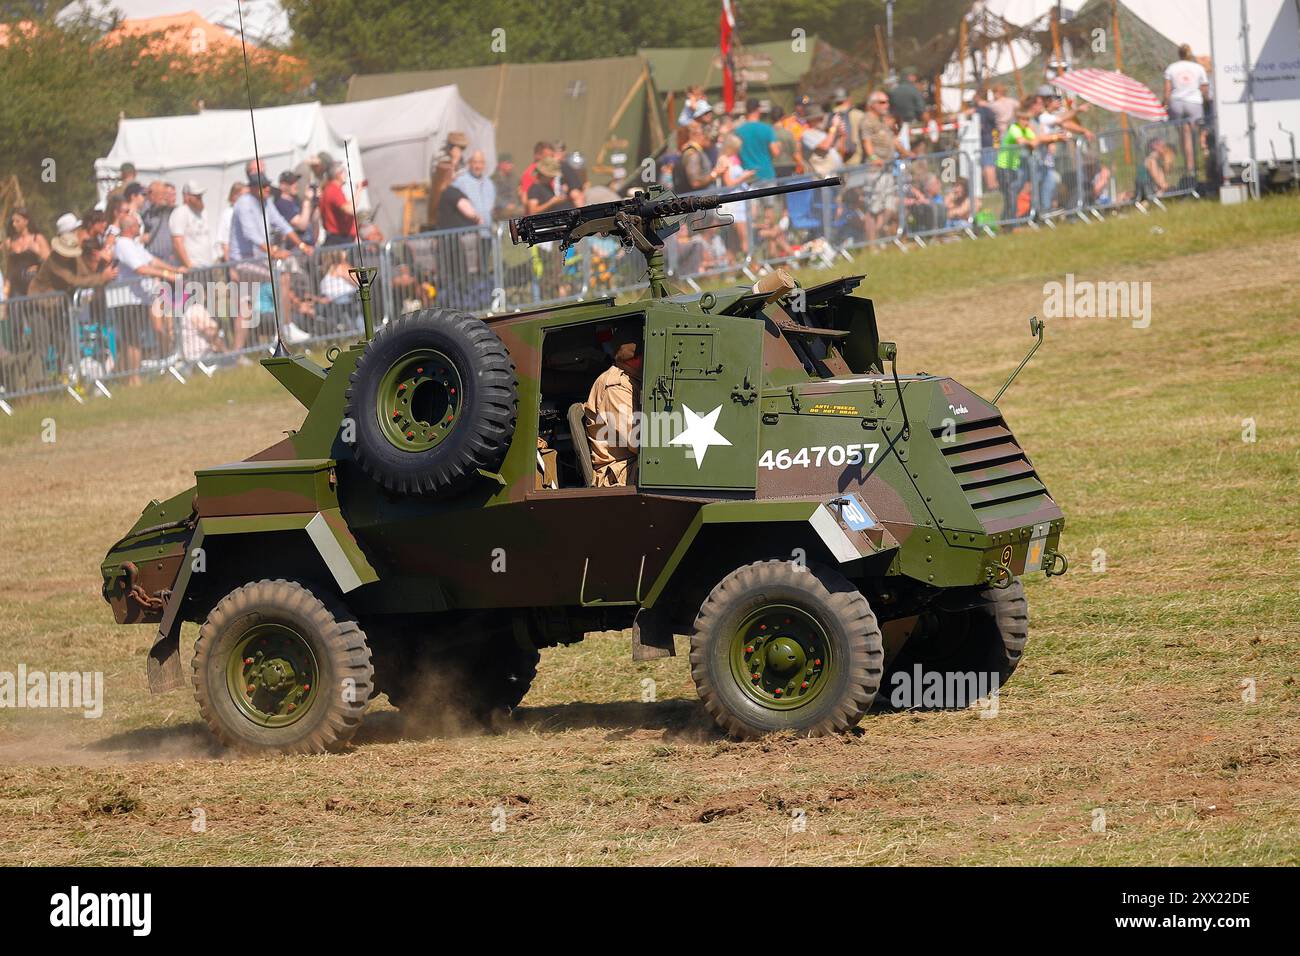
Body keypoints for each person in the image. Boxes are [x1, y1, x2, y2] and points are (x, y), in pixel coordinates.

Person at [109, 211, 184, 385]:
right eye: (137, 224)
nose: (139, 227)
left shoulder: (134, 245)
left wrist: (175, 270)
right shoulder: (123, 244)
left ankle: (117, 377)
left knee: (130, 340)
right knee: (133, 340)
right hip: (125, 299)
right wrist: (167, 275)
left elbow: (152, 261)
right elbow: (140, 269)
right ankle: (134, 380)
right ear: (130, 228)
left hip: (138, 299)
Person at [582, 331, 642, 487]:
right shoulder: (616, 386)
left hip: (632, 465)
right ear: (634, 359)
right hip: (618, 472)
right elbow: (638, 443)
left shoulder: (633, 380)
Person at [28, 213, 118, 295]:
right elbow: (75, 281)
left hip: (56, 304)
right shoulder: (55, 261)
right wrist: (102, 277)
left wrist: (103, 266)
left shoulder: (73, 255)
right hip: (40, 303)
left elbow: (84, 273)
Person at [1165, 43, 1211, 165]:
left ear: (1179, 54)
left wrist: (1165, 103)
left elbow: (1167, 91)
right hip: (1194, 103)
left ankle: (1189, 165)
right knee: (1194, 133)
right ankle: (1199, 157)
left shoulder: (1171, 68)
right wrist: (1206, 101)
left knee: (1185, 135)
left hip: (1177, 103)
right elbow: (1205, 89)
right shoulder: (1198, 68)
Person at [3, 208, 50, 299]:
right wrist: (6, 287)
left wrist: (37, 251)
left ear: (26, 221)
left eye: (17, 221)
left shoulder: (37, 238)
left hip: (33, 283)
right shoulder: (10, 242)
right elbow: (10, 267)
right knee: (16, 311)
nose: (14, 224)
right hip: (16, 285)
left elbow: (49, 261)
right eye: (13, 221)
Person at [169, 181, 215, 270]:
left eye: (200, 196)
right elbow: (177, 242)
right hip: (191, 268)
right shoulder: (180, 212)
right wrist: (189, 266)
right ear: (186, 196)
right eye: (196, 196)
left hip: (206, 266)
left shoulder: (203, 212)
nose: (200, 199)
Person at [733, 98, 779, 182]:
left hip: (747, 176)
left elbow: (734, 153)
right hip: (766, 174)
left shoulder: (738, 131)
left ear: (746, 111)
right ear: (759, 110)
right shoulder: (767, 128)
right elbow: (775, 152)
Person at [319, 162, 359, 246]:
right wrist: (359, 190)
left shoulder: (333, 189)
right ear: (338, 174)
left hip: (342, 238)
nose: (346, 175)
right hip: (339, 240)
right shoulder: (333, 190)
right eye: (344, 172)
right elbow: (350, 209)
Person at [273, 171, 315, 249]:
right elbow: (302, 225)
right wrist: (307, 201)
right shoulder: (282, 204)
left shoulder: (296, 200)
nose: (295, 185)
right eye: (291, 183)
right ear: (282, 186)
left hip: (309, 246)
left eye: (296, 182)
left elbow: (309, 220)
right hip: (296, 249)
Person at [453, 150, 496, 225]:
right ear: (469, 163)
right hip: (469, 231)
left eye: (480, 162)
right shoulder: (460, 182)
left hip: (487, 229)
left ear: (484, 164)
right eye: (475, 162)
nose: (478, 166)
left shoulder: (489, 183)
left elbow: (491, 208)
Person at [673, 120, 714, 193]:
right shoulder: (692, 154)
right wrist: (714, 174)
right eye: (704, 133)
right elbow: (695, 182)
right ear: (697, 134)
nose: (707, 137)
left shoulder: (697, 151)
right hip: (697, 199)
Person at [216, 182, 247, 261]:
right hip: (234, 261)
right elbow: (225, 243)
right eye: (243, 195)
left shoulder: (248, 213)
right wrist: (230, 266)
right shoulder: (227, 214)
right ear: (234, 196)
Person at [491, 152, 522, 220]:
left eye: (511, 163)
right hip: (500, 212)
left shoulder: (514, 178)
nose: (512, 165)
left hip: (515, 210)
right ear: (501, 164)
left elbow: (516, 193)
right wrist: (505, 205)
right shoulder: (493, 180)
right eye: (509, 163)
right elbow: (493, 197)